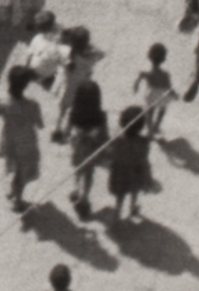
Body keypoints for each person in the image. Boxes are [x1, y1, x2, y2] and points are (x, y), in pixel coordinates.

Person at [0, 63, 44, 216]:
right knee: (22, 173)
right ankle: (17, 202)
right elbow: (40, 124)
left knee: (14, 165)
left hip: (9, 140)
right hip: (26, 143)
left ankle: (11, 191)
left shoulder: (3, 102)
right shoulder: (32, 104)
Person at [64, 66, 108, 221]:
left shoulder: (73, 114)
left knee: (77, 168)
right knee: (88, 174)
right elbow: (105, 135)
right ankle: (84, 197)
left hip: (77, 148)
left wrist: (73, 135)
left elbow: (67, 131)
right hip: (92, 150)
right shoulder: (101, 116)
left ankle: (75, 189)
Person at [105, 107, 152, 223]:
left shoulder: (117, 140)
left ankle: (117, 212)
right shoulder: (143, 141)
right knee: (135, 189)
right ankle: (132, 207)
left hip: (120, 170)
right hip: (136, 170)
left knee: (120, 193)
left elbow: (111, 153)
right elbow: (143, 157)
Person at [133, 42, 175, 138]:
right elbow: (169, 87)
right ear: (164, 59)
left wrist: (136, 86)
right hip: (161, 95)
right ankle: (156, 125)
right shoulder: (165, 74)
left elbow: (139, 79)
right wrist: (174, 94)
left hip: (151, 94)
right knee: (162, 110)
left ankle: (150, 129)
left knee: (149, 112)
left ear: (149, 57)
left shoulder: (146, 73)